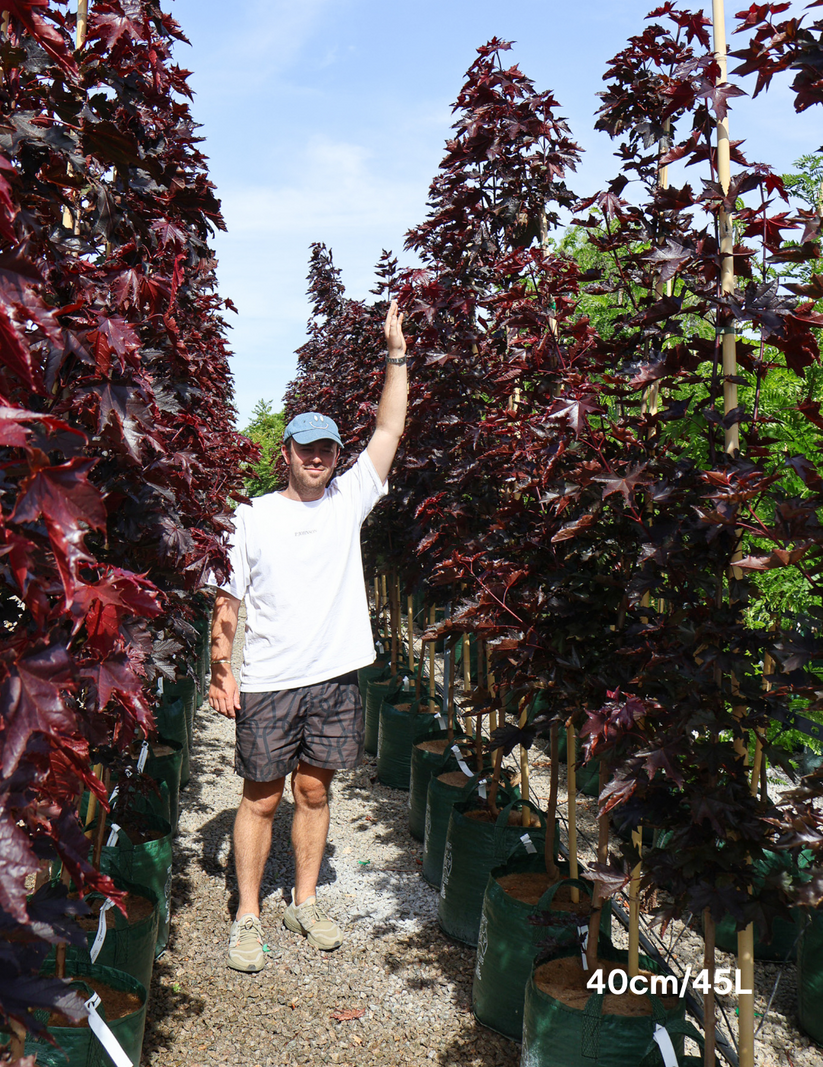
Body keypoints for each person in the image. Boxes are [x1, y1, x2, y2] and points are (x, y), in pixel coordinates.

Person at [208, 301, 407, 972]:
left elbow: (389, 427)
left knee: (316, 790)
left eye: (327, 448)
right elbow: (227, 600)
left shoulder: (349, 500)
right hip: (267, 680)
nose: (318, 458)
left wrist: (396, 355)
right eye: (306, 448)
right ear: (285, 453)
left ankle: (304, 899)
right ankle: (246, 914)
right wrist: (220, 667)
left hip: (333, 678)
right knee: (260, 796)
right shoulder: (251, 518)